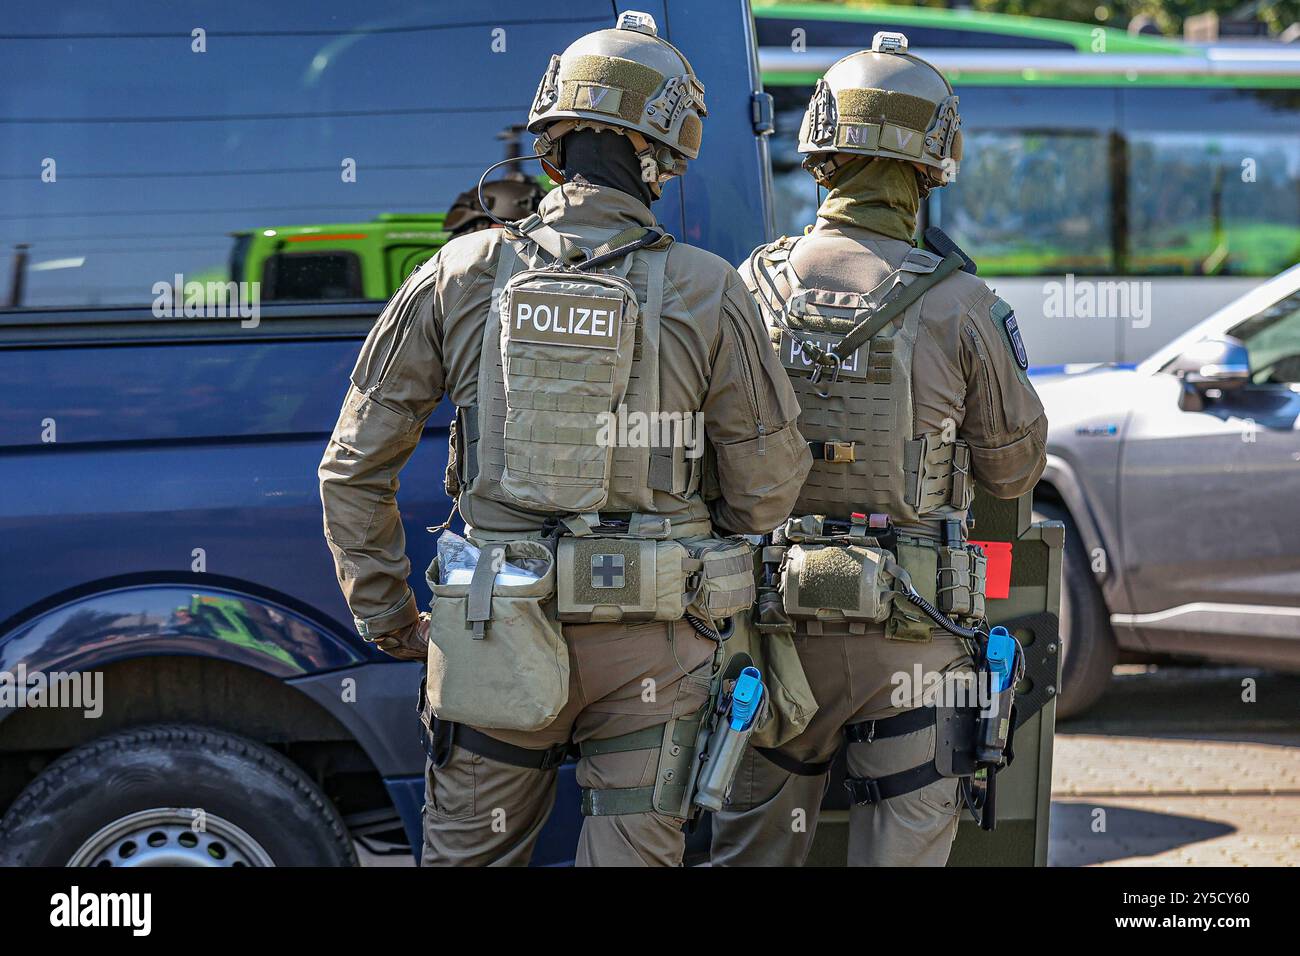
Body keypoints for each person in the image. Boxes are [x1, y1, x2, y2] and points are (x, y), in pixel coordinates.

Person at [318, 10, 809, 867]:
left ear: (553, 140)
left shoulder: (460, 271)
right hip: (654, 645)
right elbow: (767, 490)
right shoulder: (708, 288)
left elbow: (354, 468)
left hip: (490, 631)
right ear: (664, 148)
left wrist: (394, 617)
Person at [710, 32, 1048, 867]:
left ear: (820, 156)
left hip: (768, 632)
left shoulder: (749, 282)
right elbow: (1012, 468)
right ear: (933, 165)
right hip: (915, 633)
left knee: (750, 855)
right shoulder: (964, 301)